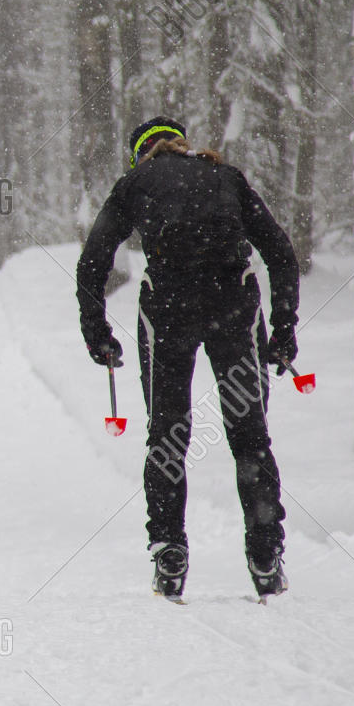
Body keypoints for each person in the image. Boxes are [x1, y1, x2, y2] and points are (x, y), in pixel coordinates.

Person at [76, 116, 300, 601]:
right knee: (249, 435)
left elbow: (93, 260)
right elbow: (281, 252)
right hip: (233, 306)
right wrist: (283, 330)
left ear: (141, 154)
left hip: (169, 309)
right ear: (183, 146)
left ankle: (169, 554)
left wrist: (97, 334)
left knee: (167, 434)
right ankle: (265, 555)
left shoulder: (134, 183)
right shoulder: (226, 176)